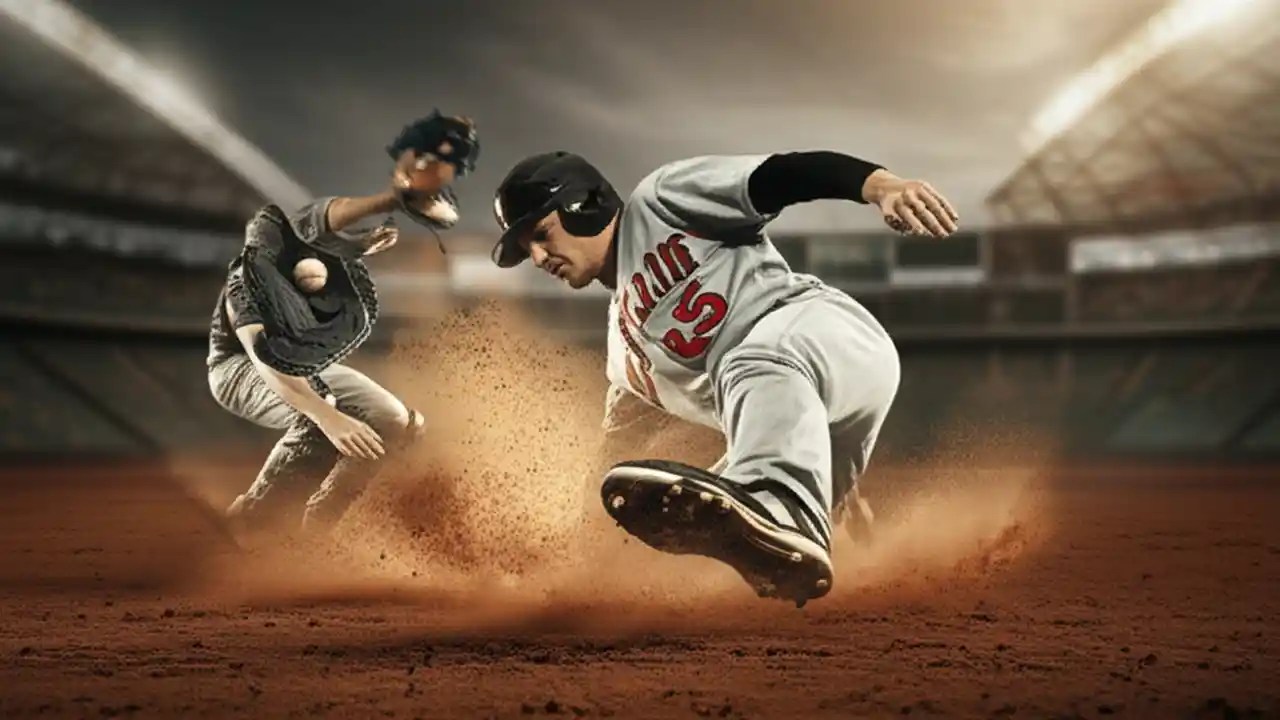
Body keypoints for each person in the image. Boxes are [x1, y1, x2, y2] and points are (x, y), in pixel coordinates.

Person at [489, 148, 958, 606]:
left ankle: (782, 499)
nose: (536, 256)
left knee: (749, 359)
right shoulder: (622, 353)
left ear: (583, 206)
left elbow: (780, 176)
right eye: (524, 247)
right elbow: (614, 472)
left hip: (827, 334)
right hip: (811, 415)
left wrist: (880, 186)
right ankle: (807, 526)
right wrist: (573, 565)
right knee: (686, 526)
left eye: (540, 233)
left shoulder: (661, 201)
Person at [206, 111, 479, 540]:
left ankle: (319, 526)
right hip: (241, 368)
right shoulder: (248, 281)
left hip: (301, 367)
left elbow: (329, 218)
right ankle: (253, 521)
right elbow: (266, 361)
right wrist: (329, 419)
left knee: (396, 421)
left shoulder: (314, 257)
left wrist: (387, 206)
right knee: (322, 413)